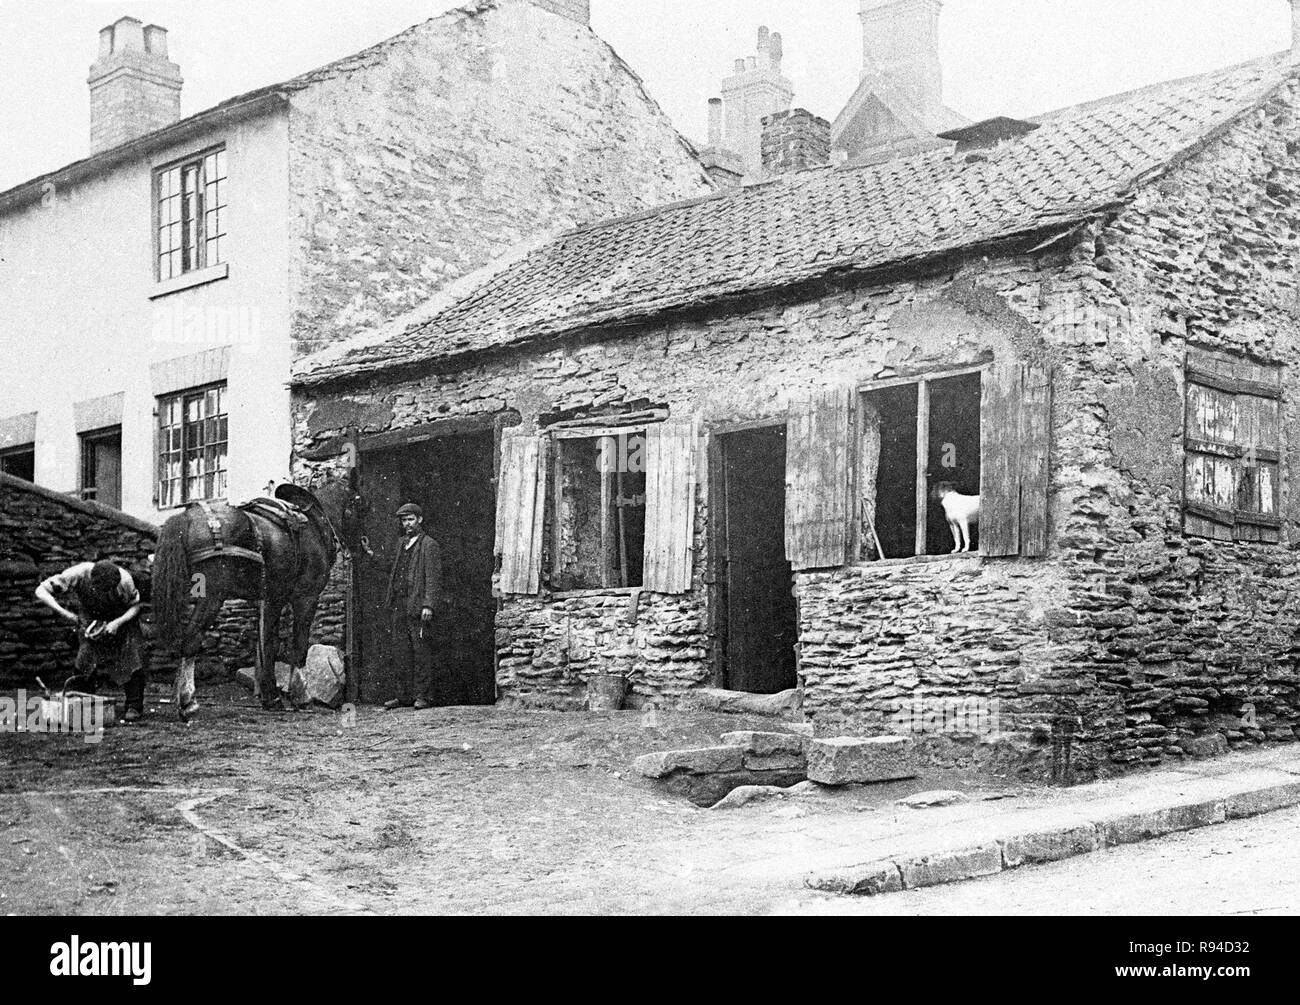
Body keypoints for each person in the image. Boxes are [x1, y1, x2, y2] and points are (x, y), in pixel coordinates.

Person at [35, 560, 147, 721]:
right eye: (101, 590)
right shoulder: (78, 573)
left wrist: (117, 623)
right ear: (92, 582)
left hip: (119, 620)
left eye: (109, 590)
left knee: (129, 659)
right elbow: (41, 591)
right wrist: (66, 614)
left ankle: (134, 706)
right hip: (89, 620)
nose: (105, 593)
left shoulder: (125, 580)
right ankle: (82, 703)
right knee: (85, 658)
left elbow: (136, 606)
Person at [383, 503, 441, 710]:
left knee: (420, 651)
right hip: (399, 604)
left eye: (410, 519)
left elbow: (433, 579)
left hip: (417, 606)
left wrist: (429, 605)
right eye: (403, 520)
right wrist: (370, 554)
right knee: (400, 652)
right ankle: (403, 696)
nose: (407, 524)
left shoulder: (429, 545)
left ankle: (422, 696)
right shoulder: (401, 544)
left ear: (420, 520)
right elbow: (390, 566)